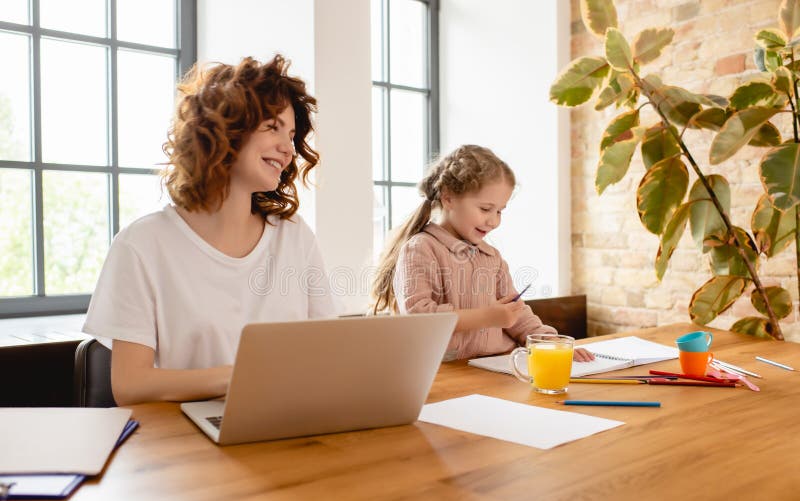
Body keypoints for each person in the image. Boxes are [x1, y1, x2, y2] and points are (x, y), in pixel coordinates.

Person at [83, 55, 337, 405]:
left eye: (291, 135)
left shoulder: (295, 236)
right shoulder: (141, 244)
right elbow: (129, 384)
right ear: (225, 129)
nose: (288, 148)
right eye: (272, 127)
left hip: (284, 422)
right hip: (188, 440)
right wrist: (238, 377)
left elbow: (326, 351)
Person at [371, 144, 593, 362]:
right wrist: (487, 316)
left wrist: (549, 344)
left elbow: (516, 312)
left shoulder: (491, 257)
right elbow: (419, 318)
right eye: (486, 209)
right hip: (445, 373)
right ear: (448, 197)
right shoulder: (420, 249)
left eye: (499, 211)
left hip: (498, 366)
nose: (494, 221)